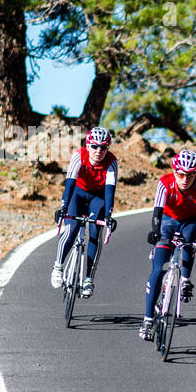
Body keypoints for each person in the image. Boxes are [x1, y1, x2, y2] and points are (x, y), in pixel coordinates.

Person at [139, 150, 196, 340]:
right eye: (181, 174)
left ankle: (185, 279)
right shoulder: (164, 182)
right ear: (174, 172)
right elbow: (157, 211)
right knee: (157, 270)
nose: (185, 179)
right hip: (167, 220)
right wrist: (155, 232)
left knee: (190, 239)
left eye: (190, 175)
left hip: (189, 221)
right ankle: (147, 319)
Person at [51, 126, 118, 297]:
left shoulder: (111, 162)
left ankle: (88, 278)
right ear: (87, 145)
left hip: (98, 197)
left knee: (95, 233)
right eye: (94, 146)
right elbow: (69, 184)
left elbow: (110, 190)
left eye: (103, 147)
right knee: (72, 228)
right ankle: (58, 266)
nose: (98, 151)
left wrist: (109, 215)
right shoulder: (78, 156)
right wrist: (63, 207)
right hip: (77, 194)